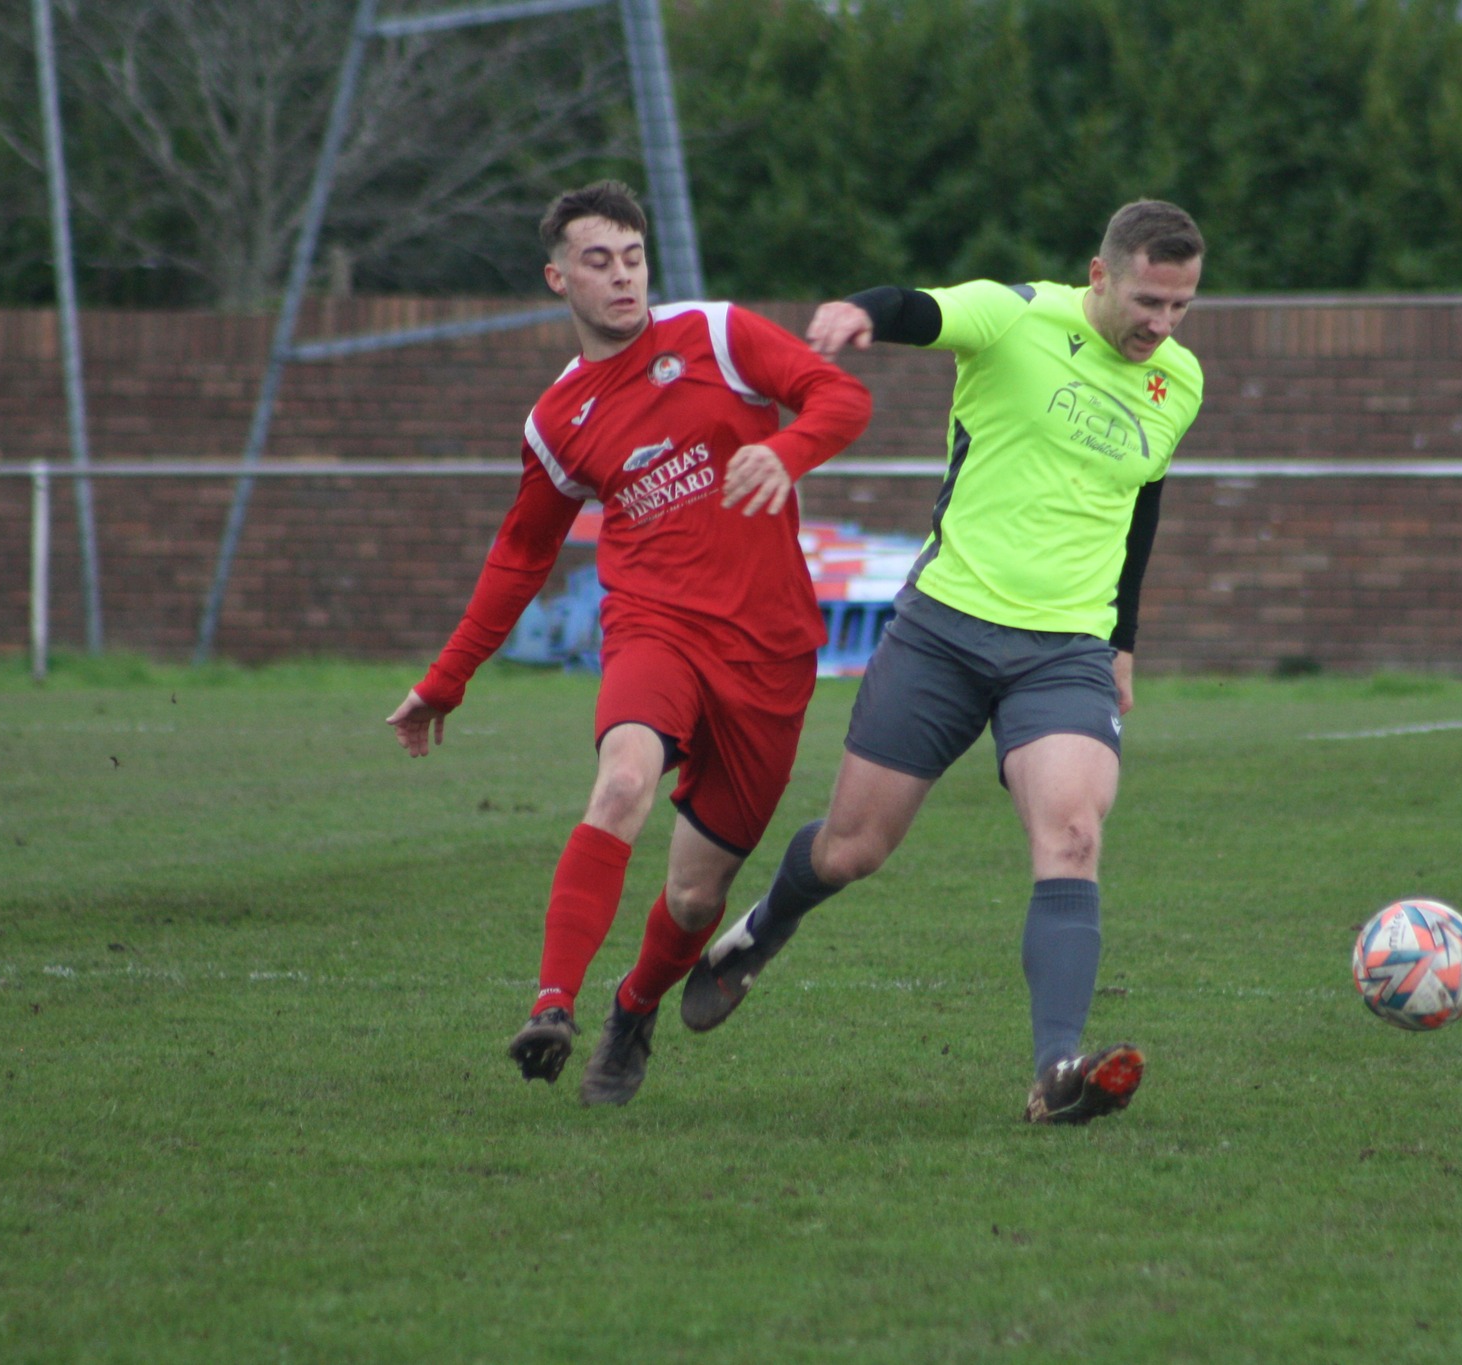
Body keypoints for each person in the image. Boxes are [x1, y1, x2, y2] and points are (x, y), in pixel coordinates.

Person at [675, 199, 1207, 1125]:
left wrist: (1121, 642)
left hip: (1066, 651)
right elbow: (925, 310)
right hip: (945, 632)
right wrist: (863, 315)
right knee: (852, 851)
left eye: (1180, 308)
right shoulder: (1016, 315)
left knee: (1073, 835)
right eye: (1147, 302)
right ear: (1100, 275)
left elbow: (1141, 512)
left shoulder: (1181, 383)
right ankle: (764, 926)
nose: (1160, 327)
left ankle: (1057, 1073)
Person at [386, 180, 871, 1104]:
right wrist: (446, 681)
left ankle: (634, 1004)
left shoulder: (717, 336)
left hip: (769, 654)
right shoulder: (557, 420)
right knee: (620, 781)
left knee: (694, 900)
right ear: (557, 277)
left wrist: (789, 450)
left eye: (633, 258)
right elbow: (520, 553)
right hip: (653, 629)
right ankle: (552, 1003)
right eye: (598, 261)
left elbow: (838, 397)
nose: (621, 277)